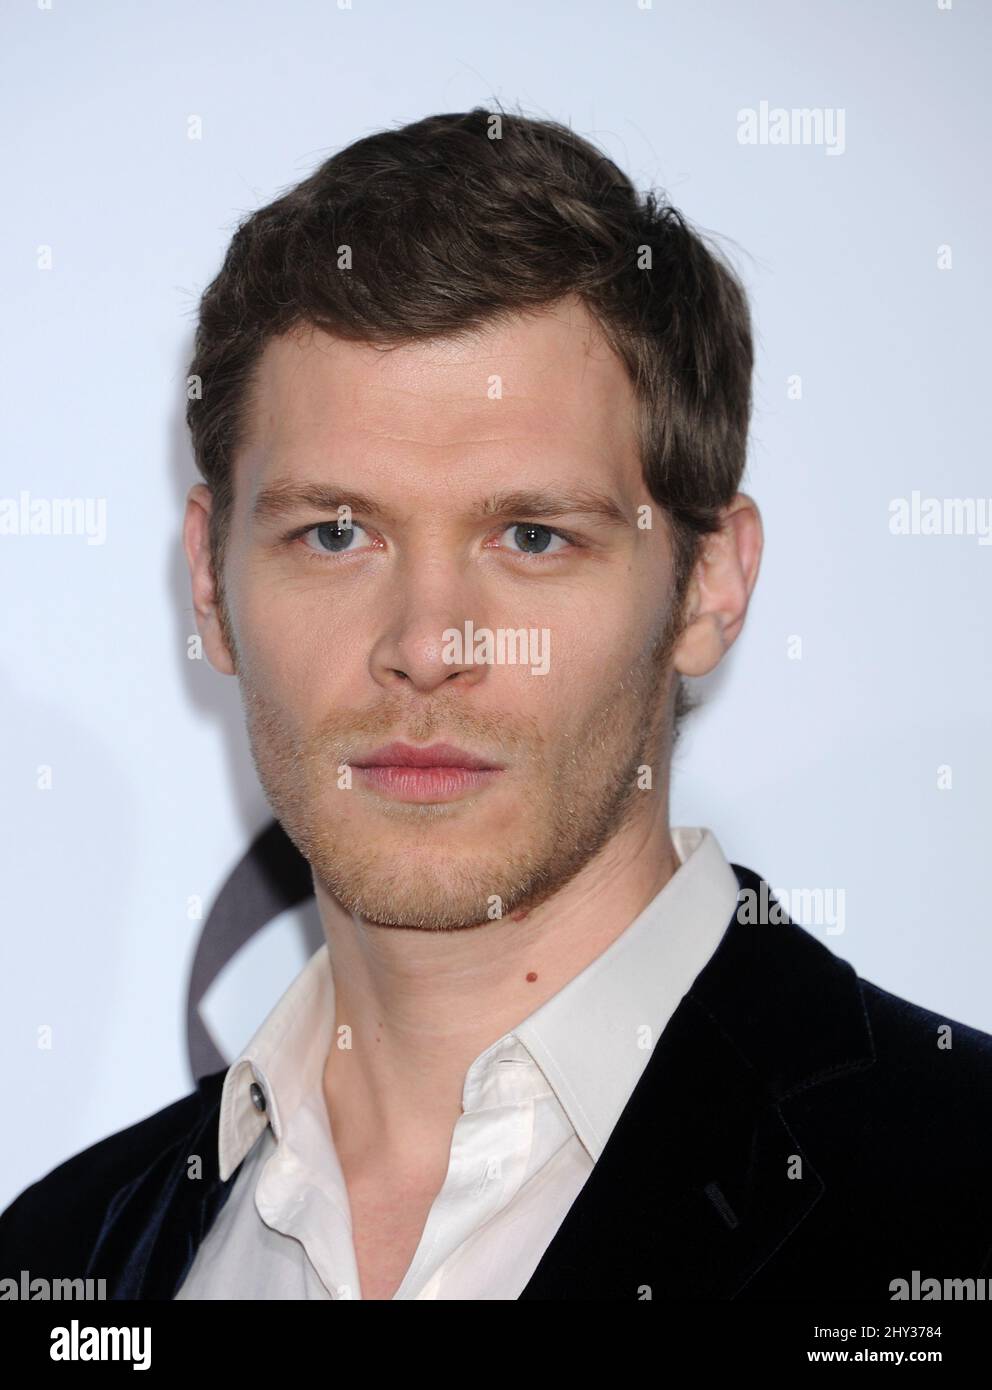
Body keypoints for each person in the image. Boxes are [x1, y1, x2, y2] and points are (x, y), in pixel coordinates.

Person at [2, 106, 990, 1302]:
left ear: (708, 585)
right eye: (334, 532)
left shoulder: (958, 1186)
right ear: (209, 582)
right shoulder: (59, 1258)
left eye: (530, 535)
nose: (426, 644)